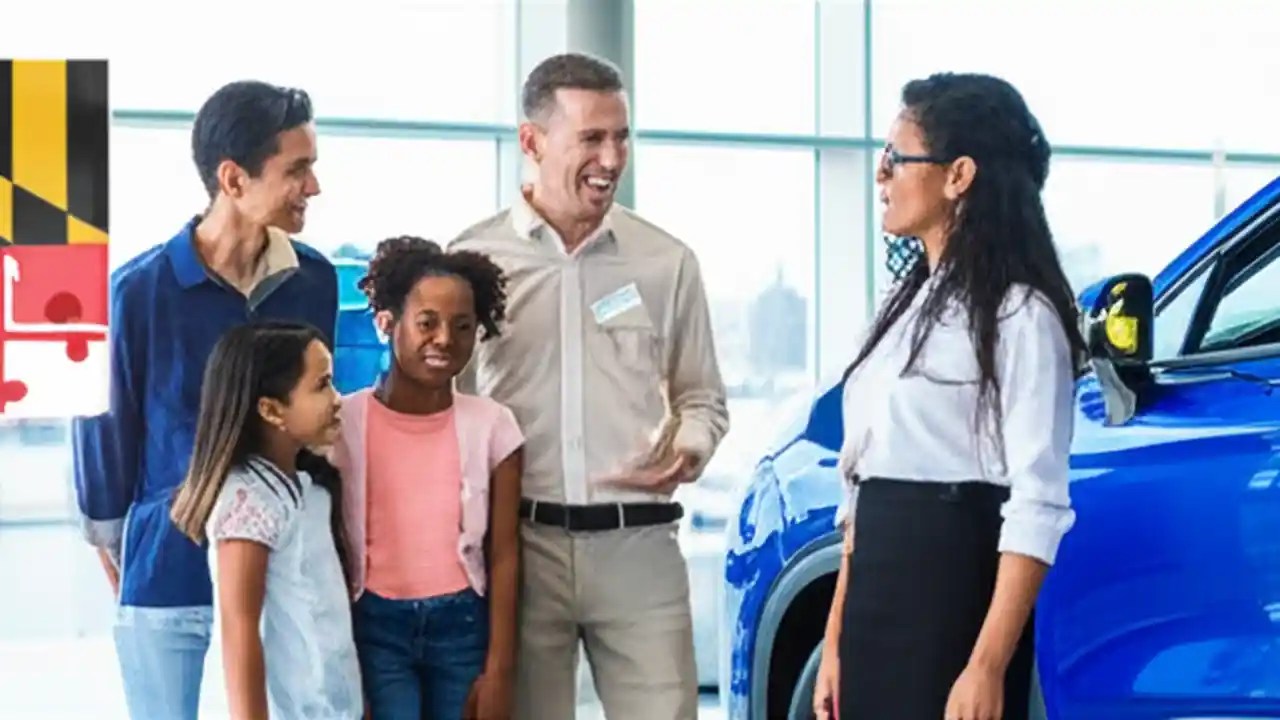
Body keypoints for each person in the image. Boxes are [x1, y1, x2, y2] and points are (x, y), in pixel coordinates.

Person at [450, 52, 729, 720]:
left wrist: (688, 447)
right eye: (592, 138)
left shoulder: (667, 263)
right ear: (532, 141)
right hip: (520, 551)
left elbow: (703, 398)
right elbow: (443, 411)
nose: (612, 157)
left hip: (640, 548)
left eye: (621, 136)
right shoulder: (469, 261)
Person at [812, 72, 1086, 720]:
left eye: (895, 158)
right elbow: (861, 491)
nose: (881, 175)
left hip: (950, 595)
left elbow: (1038, 504)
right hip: (876, 588)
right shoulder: (900, 312)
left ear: (958, 174)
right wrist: (834, 642)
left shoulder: (1022, 317)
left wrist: (987, 665)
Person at [70, 80, 334, 719]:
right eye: (297, 170)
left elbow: (318, 420)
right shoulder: (137, 292)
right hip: (171, 572)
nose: (314, 187)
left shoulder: (315, 281)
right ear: (233, 178)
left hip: (286, 576)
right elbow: (108, 428)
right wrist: (117, 542)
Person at [331, 236, 524, 720]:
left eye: (463, 326)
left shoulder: (493, 425)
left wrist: (499, 670)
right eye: (427, 323)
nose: (444, 339)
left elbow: (504, 554)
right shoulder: (343, 423)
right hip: (375, 627)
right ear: (386, 324)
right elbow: (330, 544)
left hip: (462, 625)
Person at [169, 321, 361, 719]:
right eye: (322, 385)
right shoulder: (246, 500)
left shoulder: (308, 488)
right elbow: (240, 632)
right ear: (271, 409)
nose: (338, 398)